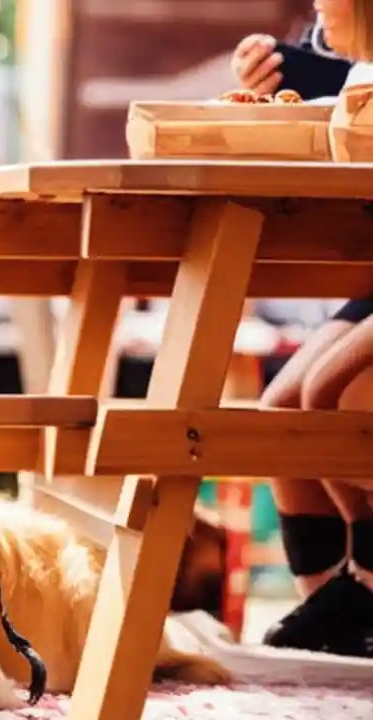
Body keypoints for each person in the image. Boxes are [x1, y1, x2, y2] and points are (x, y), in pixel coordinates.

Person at [249, 0, 373, 659]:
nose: (318, 3)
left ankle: (365, 589)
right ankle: (334, 603)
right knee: (282, 415)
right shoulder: (353, 74)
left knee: (341, 399)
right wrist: (276, 77)